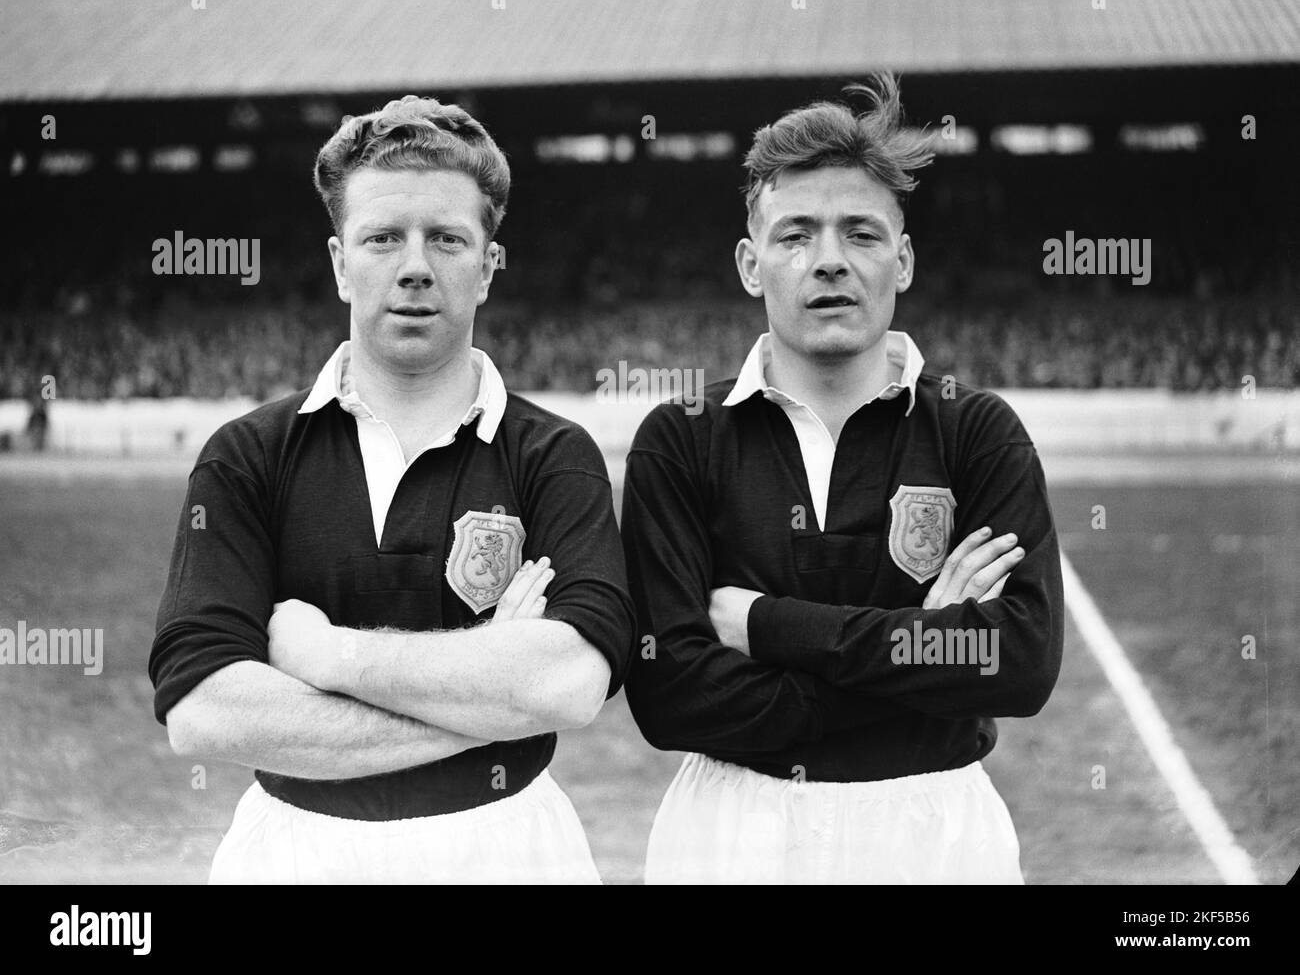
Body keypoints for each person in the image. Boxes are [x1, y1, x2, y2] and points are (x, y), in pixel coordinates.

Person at [148, 95, 635, 884]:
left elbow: (569, 684)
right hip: (298, 852)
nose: (415, 266)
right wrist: (491, 694)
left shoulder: (554, 456)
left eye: (446, 239)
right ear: (342, 265)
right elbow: (205, 713)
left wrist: (324, 654)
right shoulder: (245, 457)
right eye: (383, 238)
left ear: (487, 266)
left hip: (507, 847)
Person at [621, 74, 1065, 884]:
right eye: (796, 236)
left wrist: (769, 626)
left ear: (903, 260)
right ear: (751, 265)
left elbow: (1023, 664)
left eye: (859, 233)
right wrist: (924, 653)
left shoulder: (977, 431)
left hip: (934, 833)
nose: (828, 260)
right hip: (731, 833)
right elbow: (669, 695)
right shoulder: (678, 441)